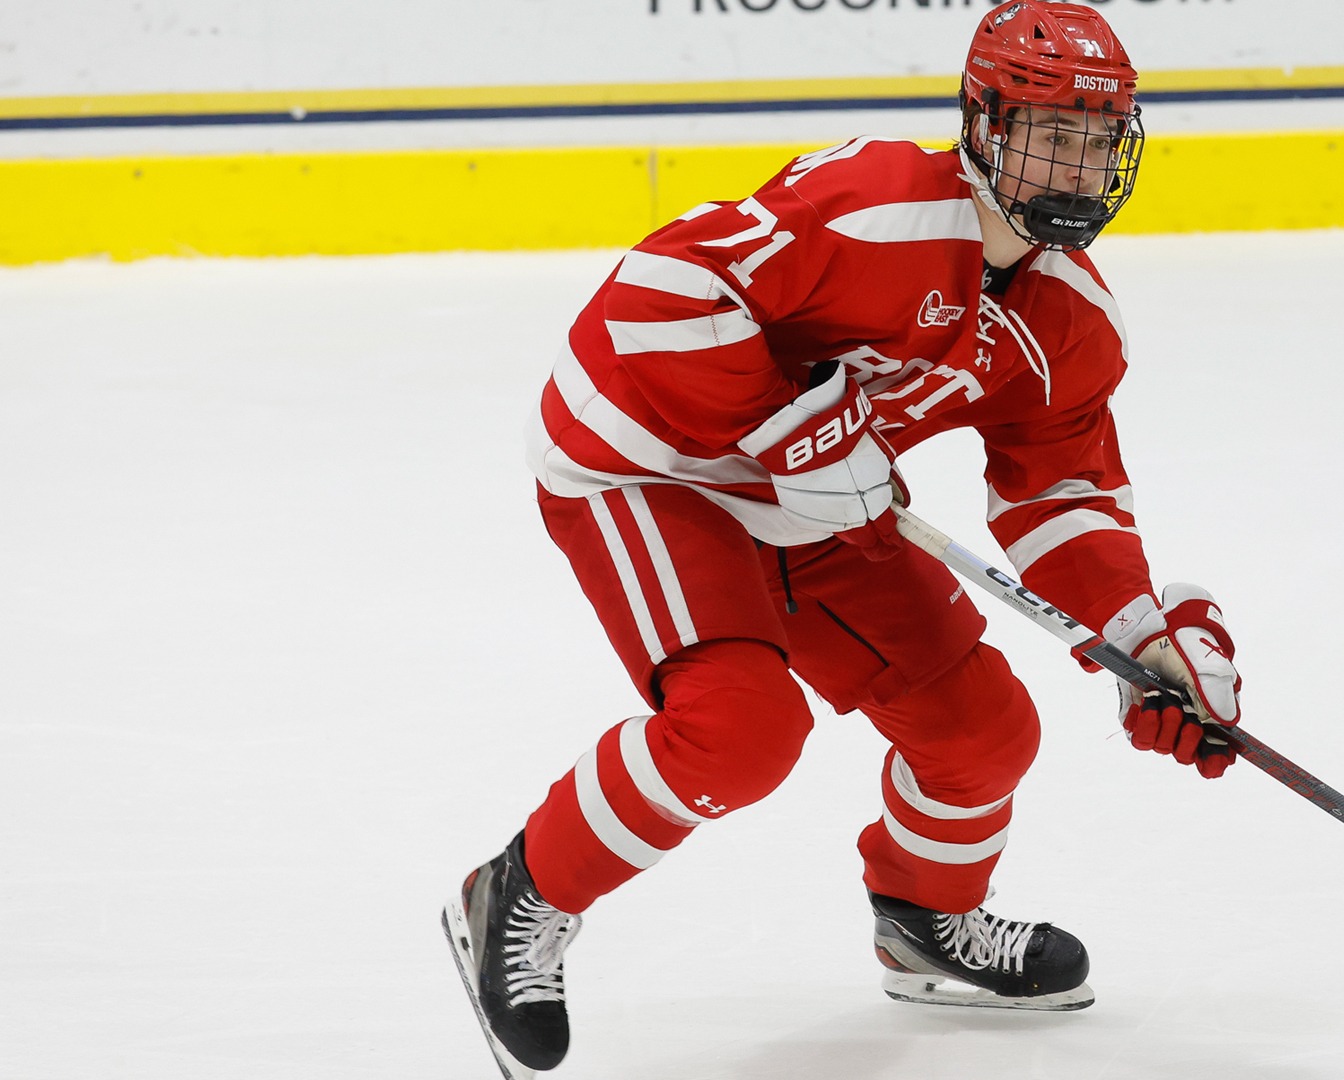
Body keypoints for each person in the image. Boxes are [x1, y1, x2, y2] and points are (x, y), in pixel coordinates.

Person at [442, 3, 1245, 1075]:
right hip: (652, 462)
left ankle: (924, 919)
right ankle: (519, 893)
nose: (1079, 163)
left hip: (814, 501)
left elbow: (1062, 494)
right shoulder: (875, 207)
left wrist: (1144, 636)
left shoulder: (1072, 325)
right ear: (982, 123)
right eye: (1053, 130)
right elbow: (660, 298)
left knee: (982, 729)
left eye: (1101, 138)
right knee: (741, 729)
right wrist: (795, 427)